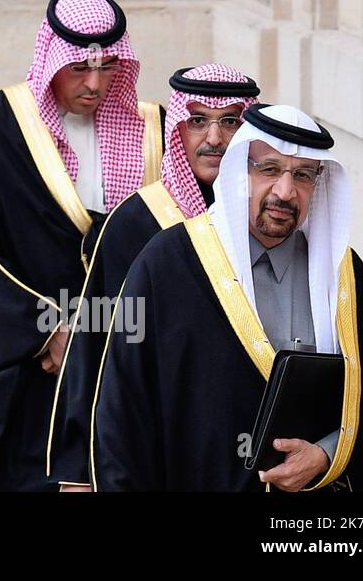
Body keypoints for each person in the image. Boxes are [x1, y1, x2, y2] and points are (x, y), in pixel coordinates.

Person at [92, 104, 363, 491]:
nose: (285, 191)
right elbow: (123, 412)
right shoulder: (168, 264)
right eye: (269, 170)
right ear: (238, 172)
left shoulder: (343, 273)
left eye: (302, 176)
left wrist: (327, 453)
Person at [0, 0, 164, 490]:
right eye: (79, 68)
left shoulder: (154, 129)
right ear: (50, 57)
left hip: (123, 356)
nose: (95, 83)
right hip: (29, 365)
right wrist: (45, 330)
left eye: (108, 68)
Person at [47, 63, 259, 489]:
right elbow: (93, 347)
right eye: (197, 121)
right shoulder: (137, 222)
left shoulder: (269, 223)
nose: (214, 139)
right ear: (177, 128)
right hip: (154, 439)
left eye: (230, 122)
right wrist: (80, 471)